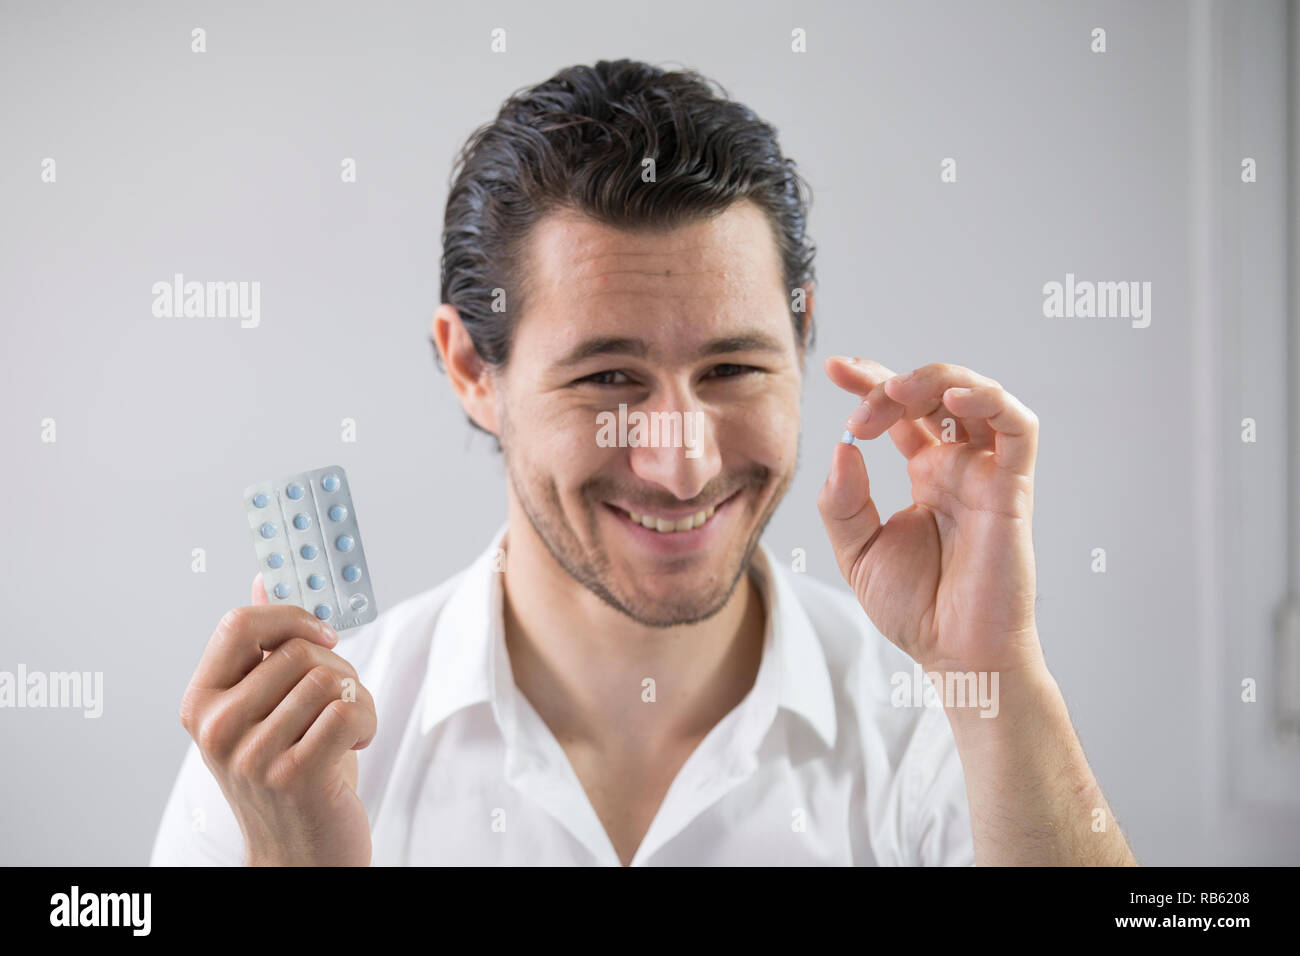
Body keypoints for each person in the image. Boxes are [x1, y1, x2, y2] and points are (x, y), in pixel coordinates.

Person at [151, 58, 1137, 866]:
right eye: (609, 377)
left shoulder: (946, 726)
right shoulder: (283, 769)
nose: (679, 464)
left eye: (732, 366)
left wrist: (993, 666)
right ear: (470, 366)